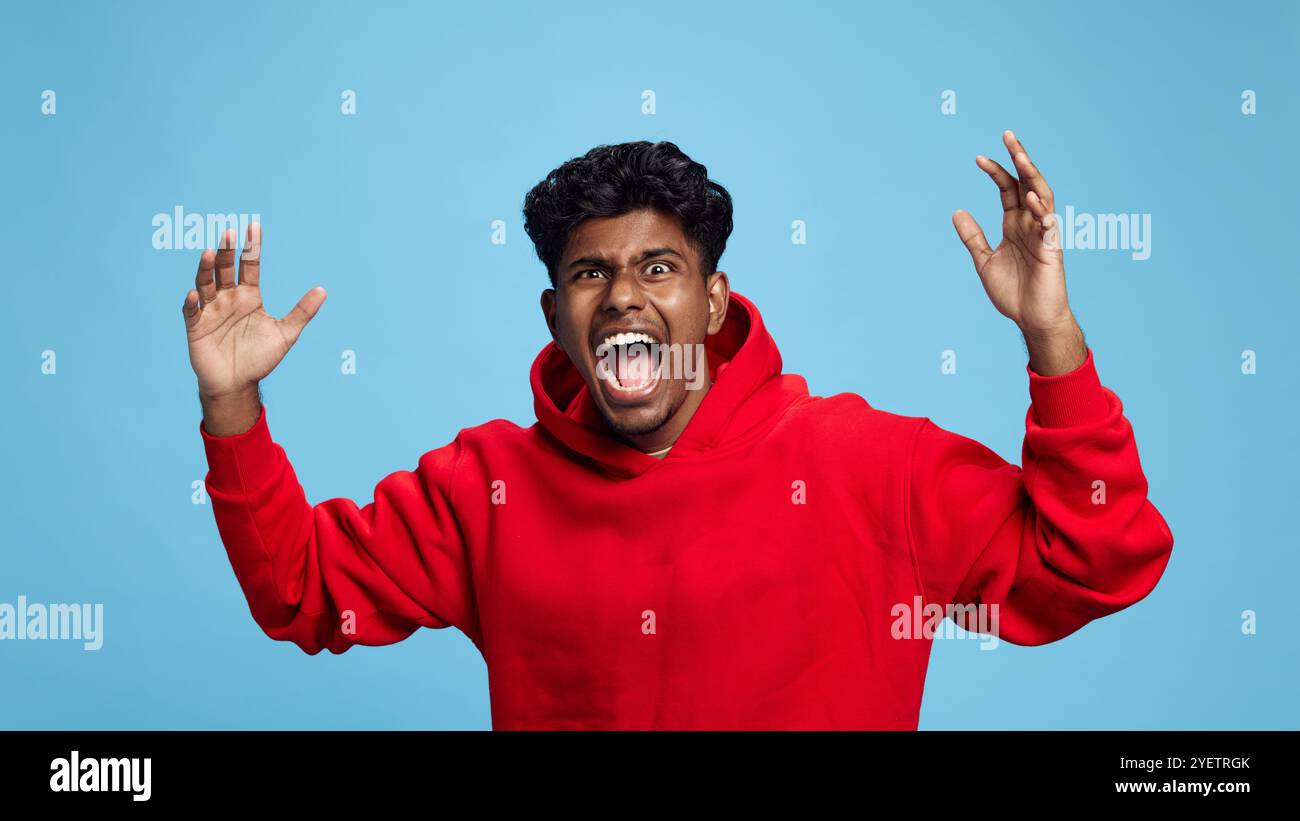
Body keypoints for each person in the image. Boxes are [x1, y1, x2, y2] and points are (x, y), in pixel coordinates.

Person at [183, 134, 1174, 729]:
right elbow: (301, 590)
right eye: (588, 273)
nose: (621, 296)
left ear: (712, 301)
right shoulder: (483, 486)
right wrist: (231, 405)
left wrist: (1050, 335)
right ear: (553, 317)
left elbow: (1096, 562)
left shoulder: (878, 465)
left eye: (658, 269)